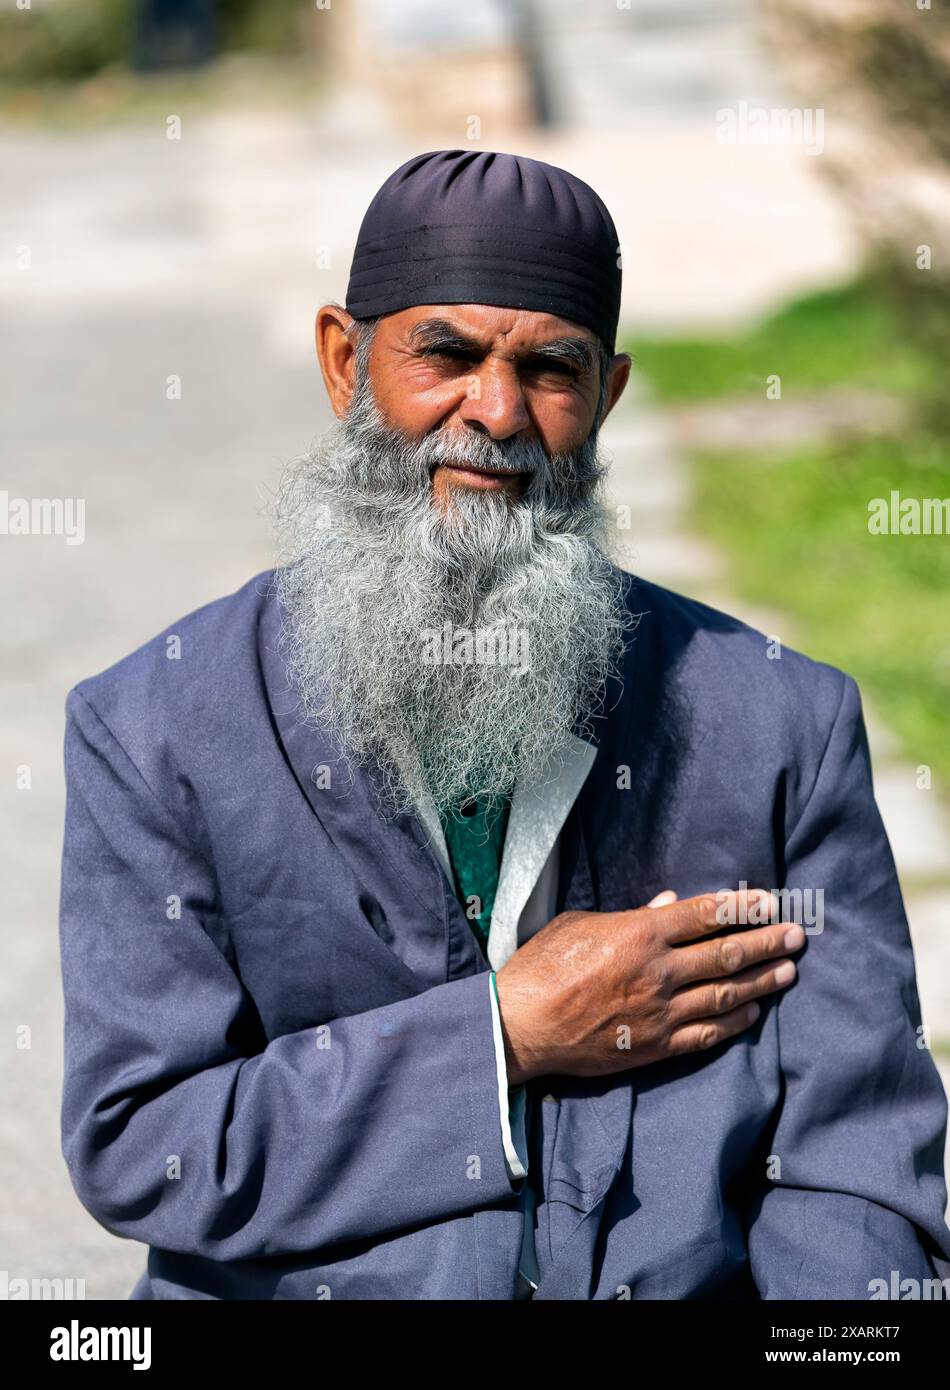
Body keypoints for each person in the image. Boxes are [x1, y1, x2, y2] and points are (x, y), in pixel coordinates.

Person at [58, 149, 950, 1300]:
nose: (494, 411)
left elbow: (859, 1164)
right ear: (343, 361)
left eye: (549, 369)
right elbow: (144, 1141)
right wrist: (503, 1034)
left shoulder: (777, 720)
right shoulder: (156, 726)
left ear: (608, 397)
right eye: (444, 353)